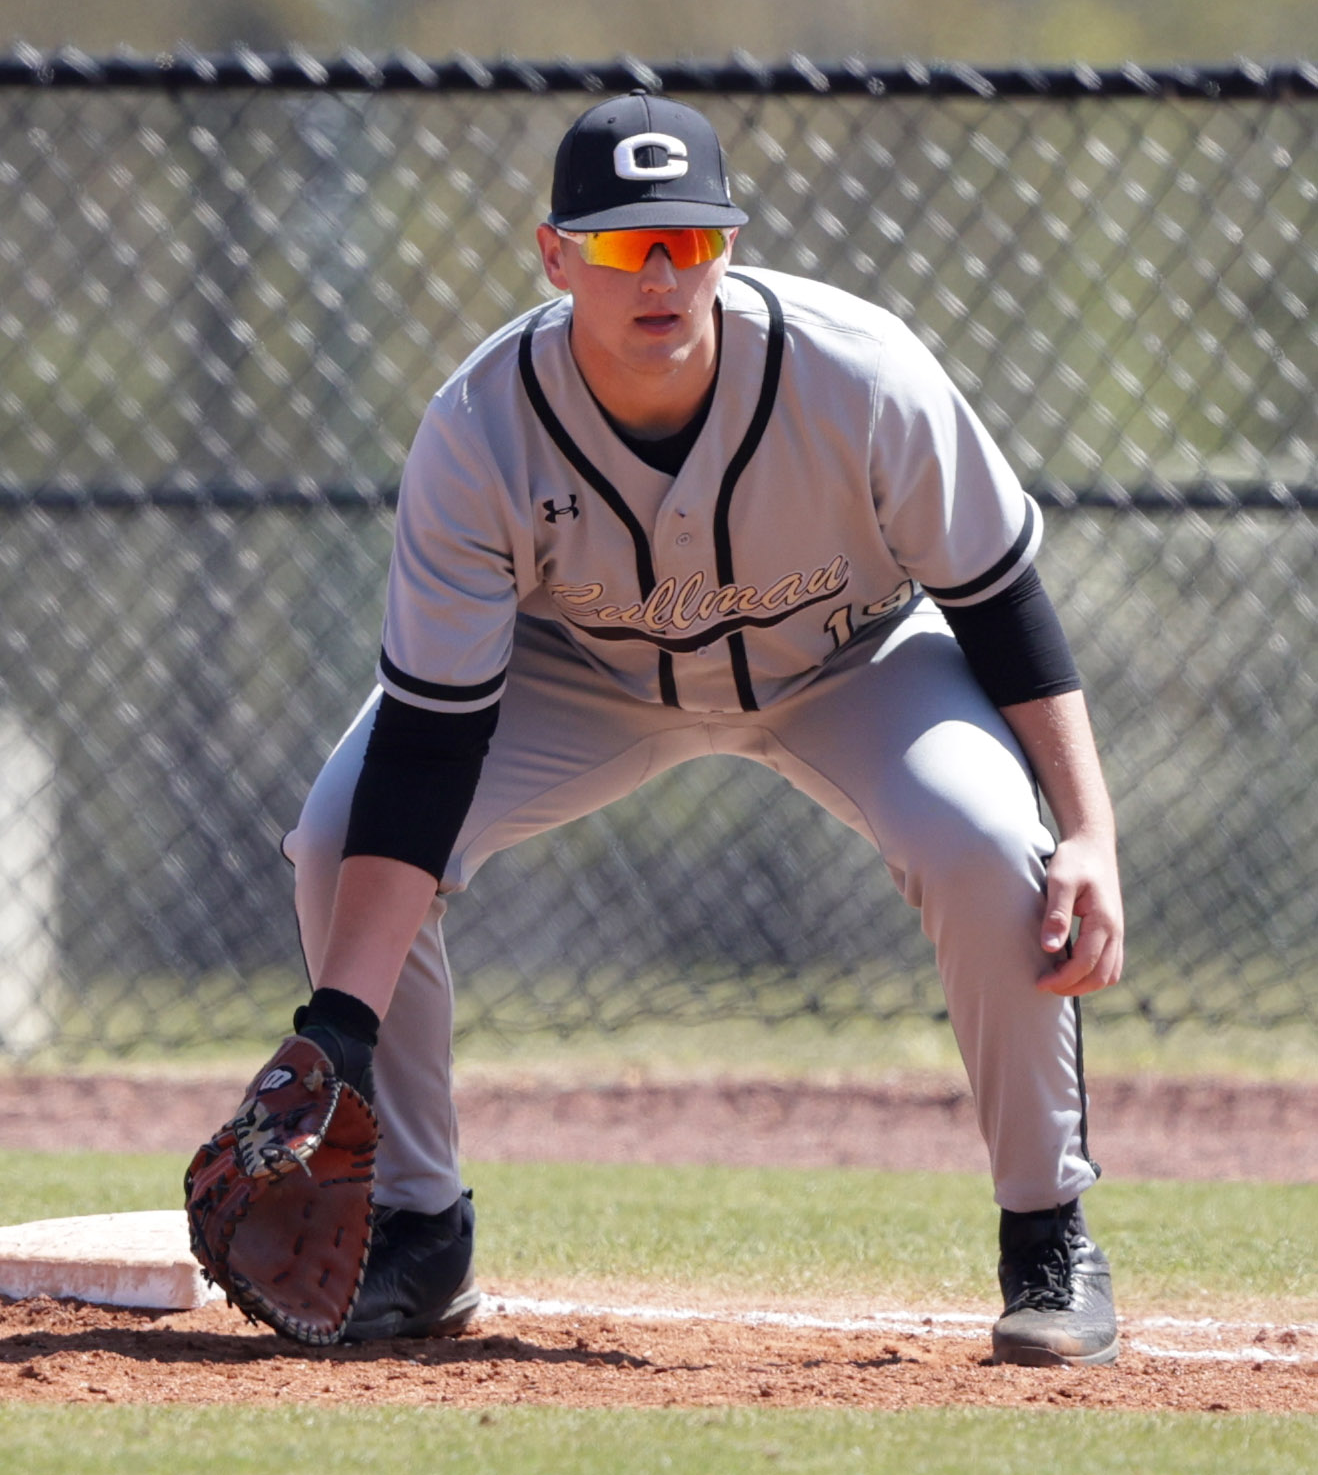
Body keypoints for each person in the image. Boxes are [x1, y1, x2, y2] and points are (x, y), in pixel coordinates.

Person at [267, 93, 1125, 1363]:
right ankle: (419, 1232)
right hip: (582, 673)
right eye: (622, 244)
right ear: (556, 257)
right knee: (341, 837)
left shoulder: (859, 369)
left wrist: (1092, 828)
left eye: (689, 236)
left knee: (990, 842)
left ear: (727, 245)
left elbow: (1000, 606)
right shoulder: (477, 427)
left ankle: (1048, 1235)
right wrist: (339, 1013)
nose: (660, 271)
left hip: (853, 657)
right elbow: (433, 735)